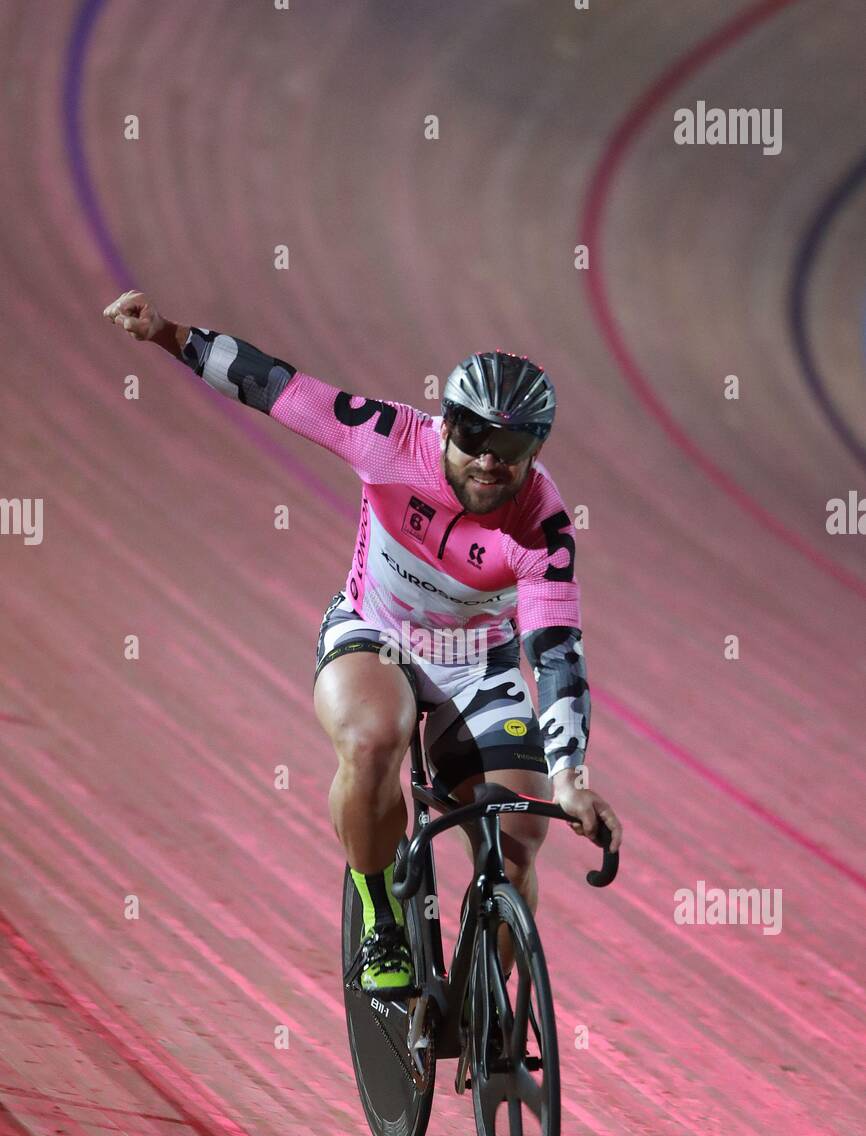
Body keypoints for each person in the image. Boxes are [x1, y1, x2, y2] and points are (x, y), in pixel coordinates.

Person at [103, 290, 622, 998]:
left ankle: (485, 1010)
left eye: (514, 450)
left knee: (523, 836)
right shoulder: (389, 437)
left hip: (476, 664)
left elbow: (557, 654)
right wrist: (167, 334)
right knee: (375, 738)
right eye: (473, 438)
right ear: (447, 427)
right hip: (375, 631)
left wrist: (571, 779)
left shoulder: (544, 526)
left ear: (536, 450)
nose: (490, 464)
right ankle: (379, 913)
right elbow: (275, 386)